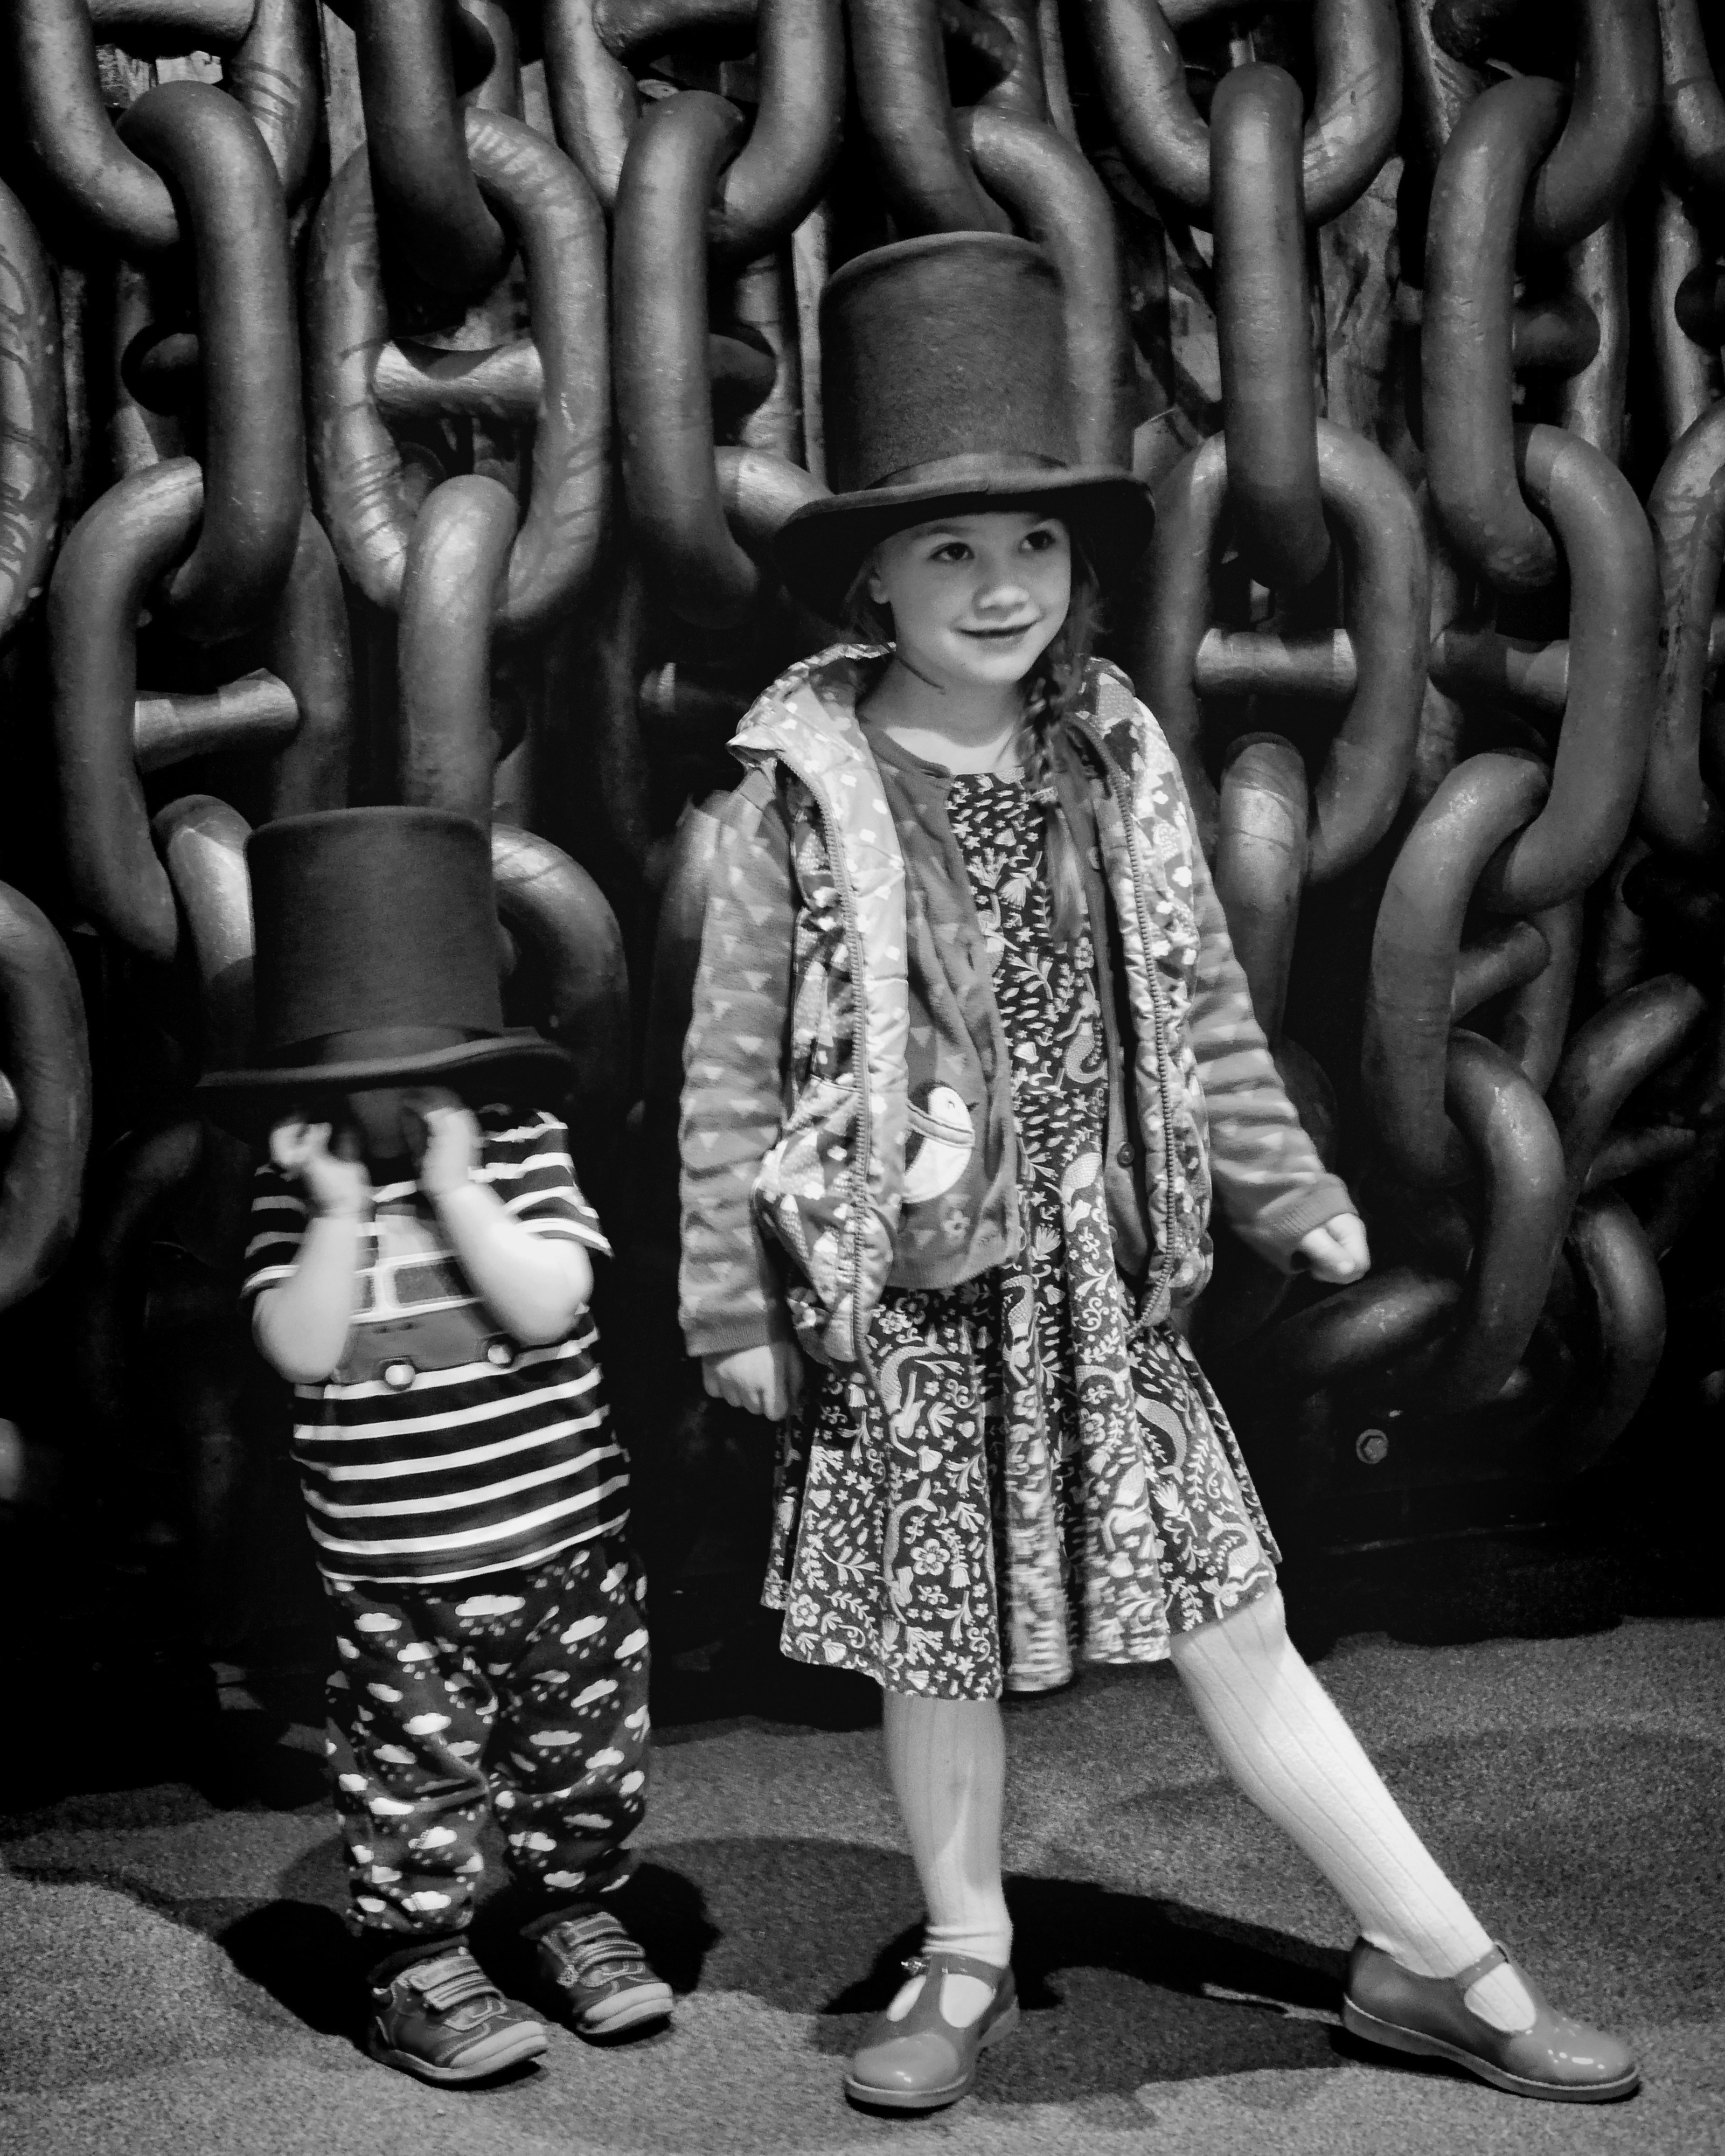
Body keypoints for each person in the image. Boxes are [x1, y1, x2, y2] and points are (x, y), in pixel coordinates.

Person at [678, 234, 1638, 2112]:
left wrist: (1286, 1189)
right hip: (913, 1307)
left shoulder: (1110, 754)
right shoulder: (796, 791)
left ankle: (1442, 1960)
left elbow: (1197, 1000)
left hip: (1102, 1305)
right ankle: (962, 1955)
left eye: (1029, 544)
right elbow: (727, 1071)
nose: (998, 584)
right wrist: (730, 1296)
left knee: (1237, 1616)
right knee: (931, 1643)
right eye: (949, 546)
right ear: (872, 573)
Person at [204, 806, 671, 2086]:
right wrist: (342, 1211)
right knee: (410, 1769)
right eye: (357, 1073)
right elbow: (298, 1348)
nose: (391, 1099)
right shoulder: (292, 1195)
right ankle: (417, 1959)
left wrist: (459, 1187)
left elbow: (547, 1303)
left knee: (579, 1754)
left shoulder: (518, 1149)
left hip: (562, 1543)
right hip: (393, 1569)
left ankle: (571, 1910)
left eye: (417, 1066)